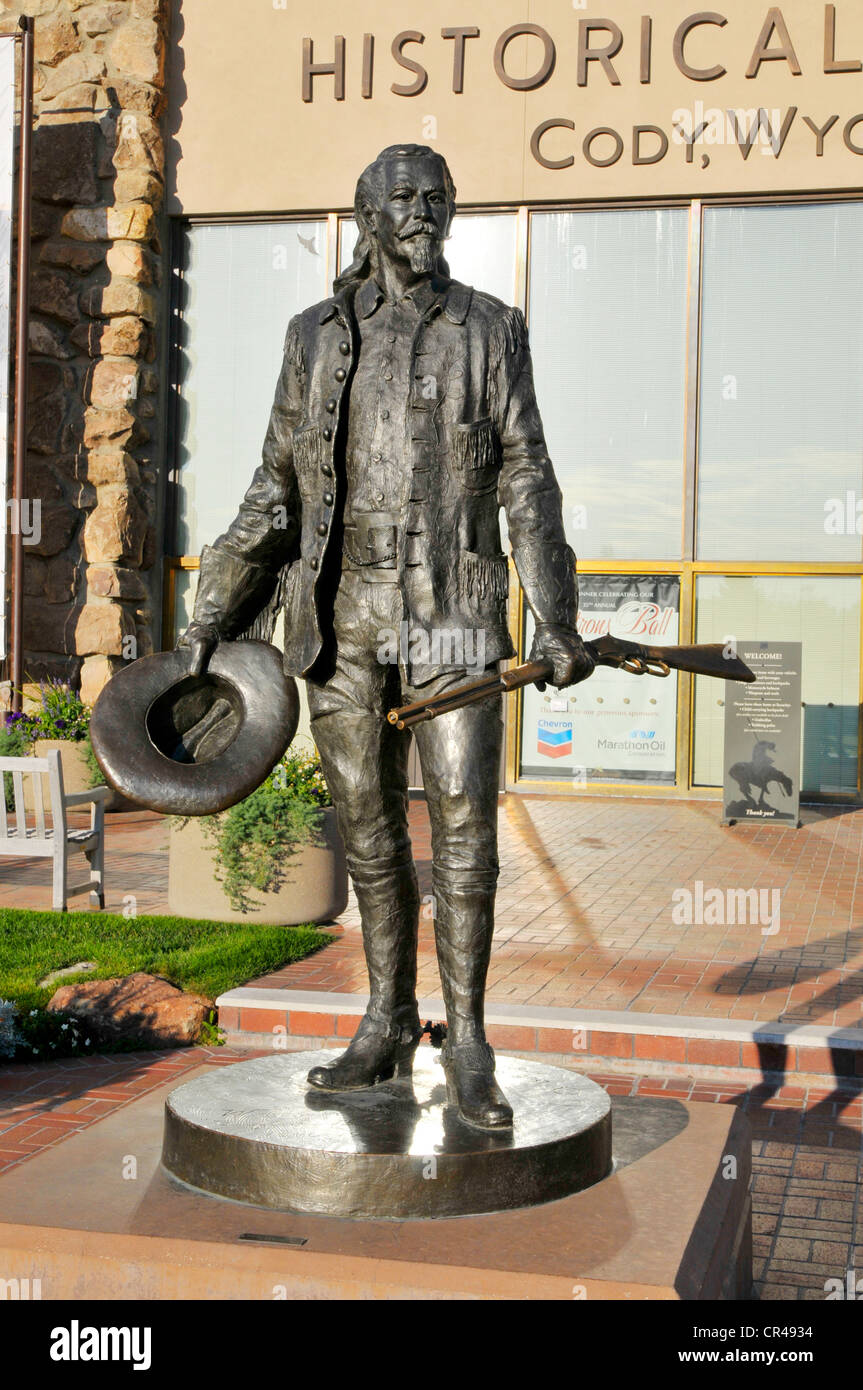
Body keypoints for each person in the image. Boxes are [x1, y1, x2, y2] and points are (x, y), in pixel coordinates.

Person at [179, 144, 594, 1130]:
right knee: (367, 835)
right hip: (341, 621)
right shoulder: (313, 335)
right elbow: (275, 485)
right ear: (367, 214)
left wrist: (554, 614)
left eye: (436, 197)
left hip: (453, 617)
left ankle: (471, 1041)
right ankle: (386, 1020)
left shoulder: (491, 328)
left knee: (464, 833)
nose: (422, 211)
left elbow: (525, 471)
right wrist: (211, 612)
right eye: (402, 197)